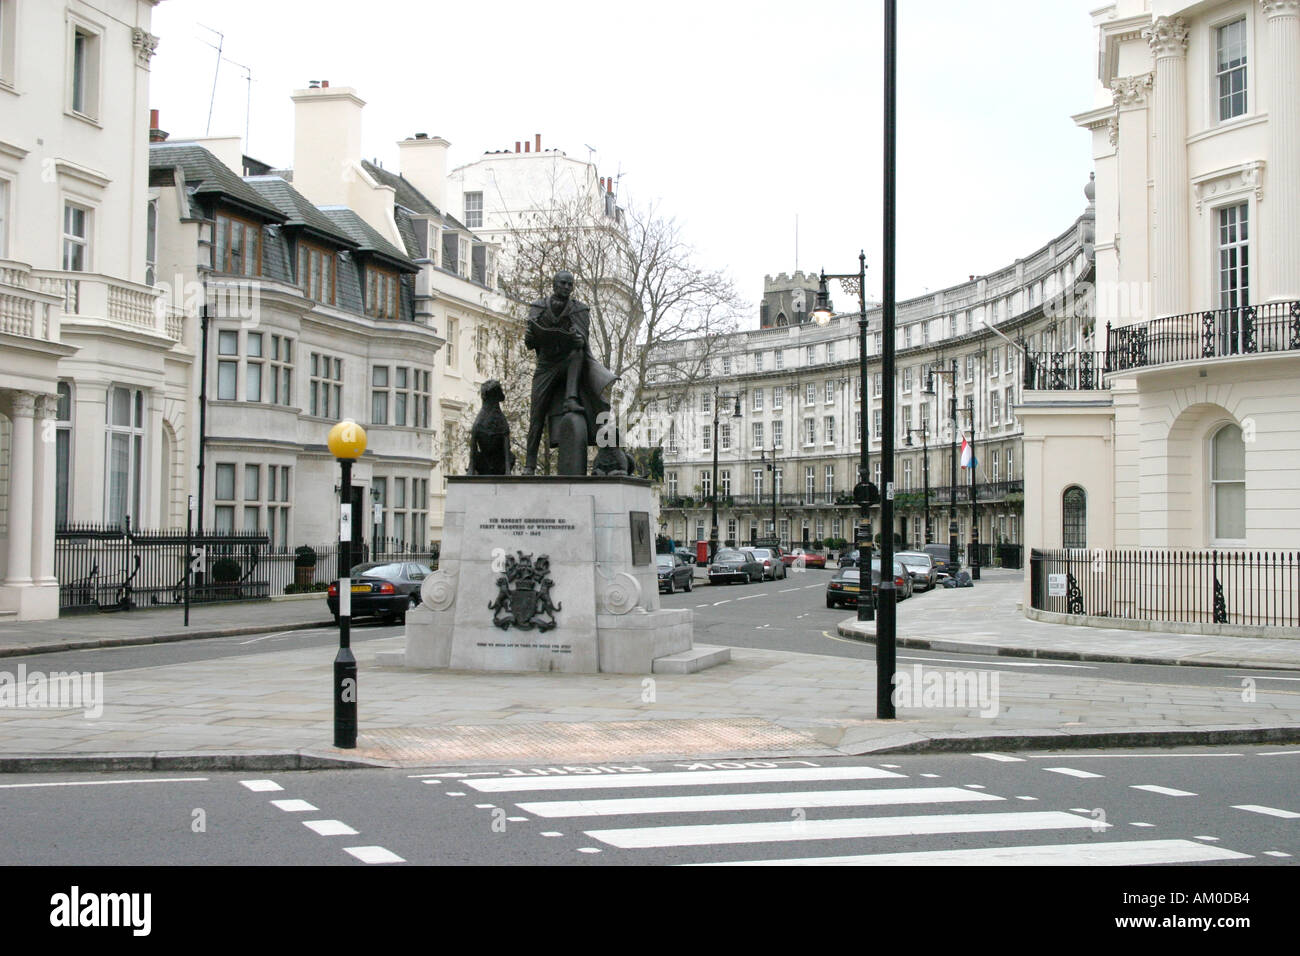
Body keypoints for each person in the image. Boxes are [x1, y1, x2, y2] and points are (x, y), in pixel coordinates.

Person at [522, 270, 618, 475]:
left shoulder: (579, 310)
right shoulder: (538, 307)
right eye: (563, 283)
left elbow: (583, 341)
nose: (566, 287)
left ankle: (571, 398)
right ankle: (529, 465)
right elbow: (529, 342)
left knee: (577, 352)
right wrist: (531, 335)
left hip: (568, 362)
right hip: (546, 365)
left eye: (570, 284)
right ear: (554, 285)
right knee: (536, 415)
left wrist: (577, 338)